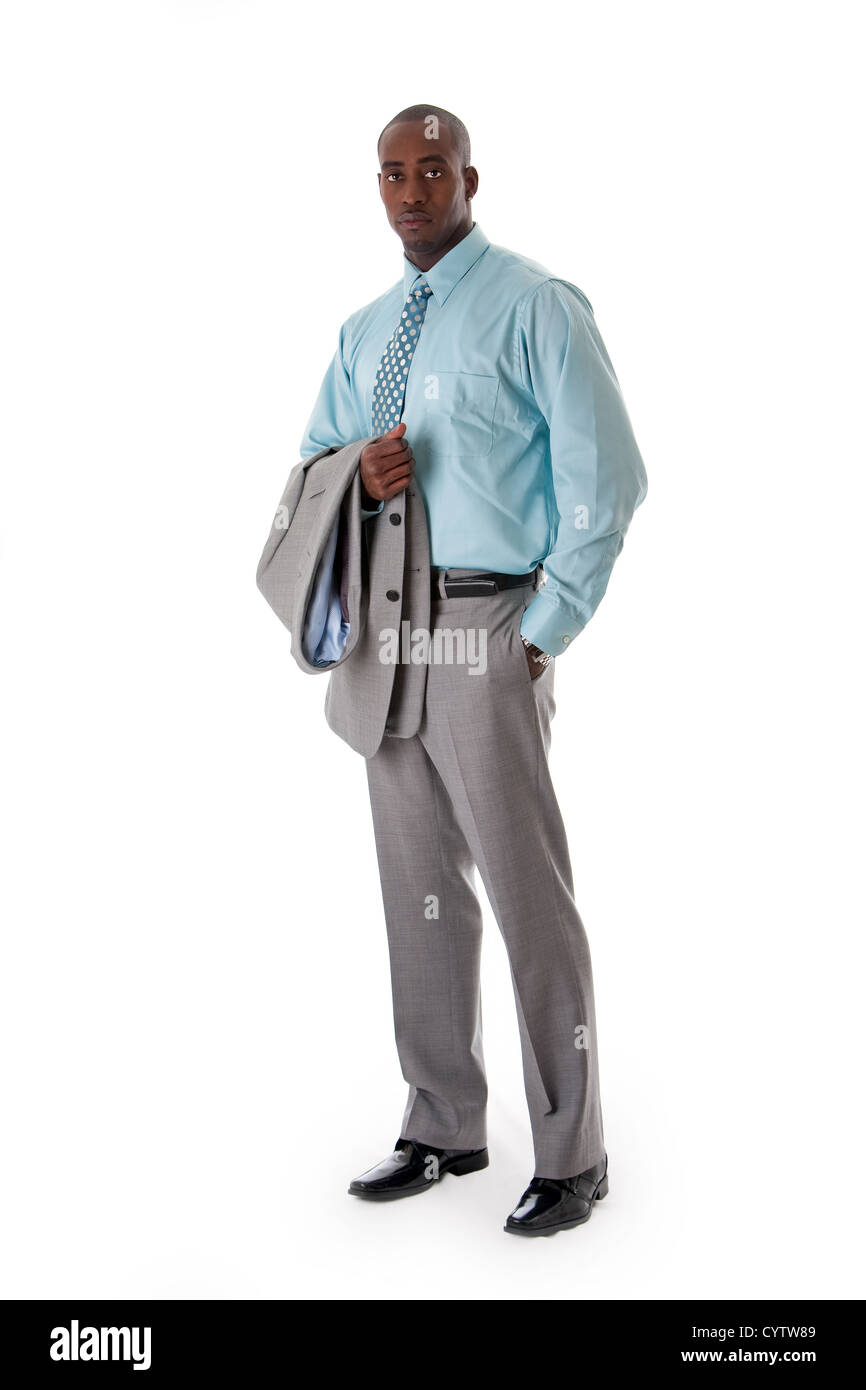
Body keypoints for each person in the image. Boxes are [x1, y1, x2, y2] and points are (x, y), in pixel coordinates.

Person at [298, 104, 647, 1236]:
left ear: (469, 178)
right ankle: (444, 1119)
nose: (409, 191)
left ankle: (572, 1150)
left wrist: (542, 630)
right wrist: (364, 468)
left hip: (487, 627)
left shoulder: (536, 305)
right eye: (392, 173)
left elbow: (611, 474)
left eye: (430, 170)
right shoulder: (362, 331)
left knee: (526, 895)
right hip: (386, 639)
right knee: (421, 893)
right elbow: (310, 467)